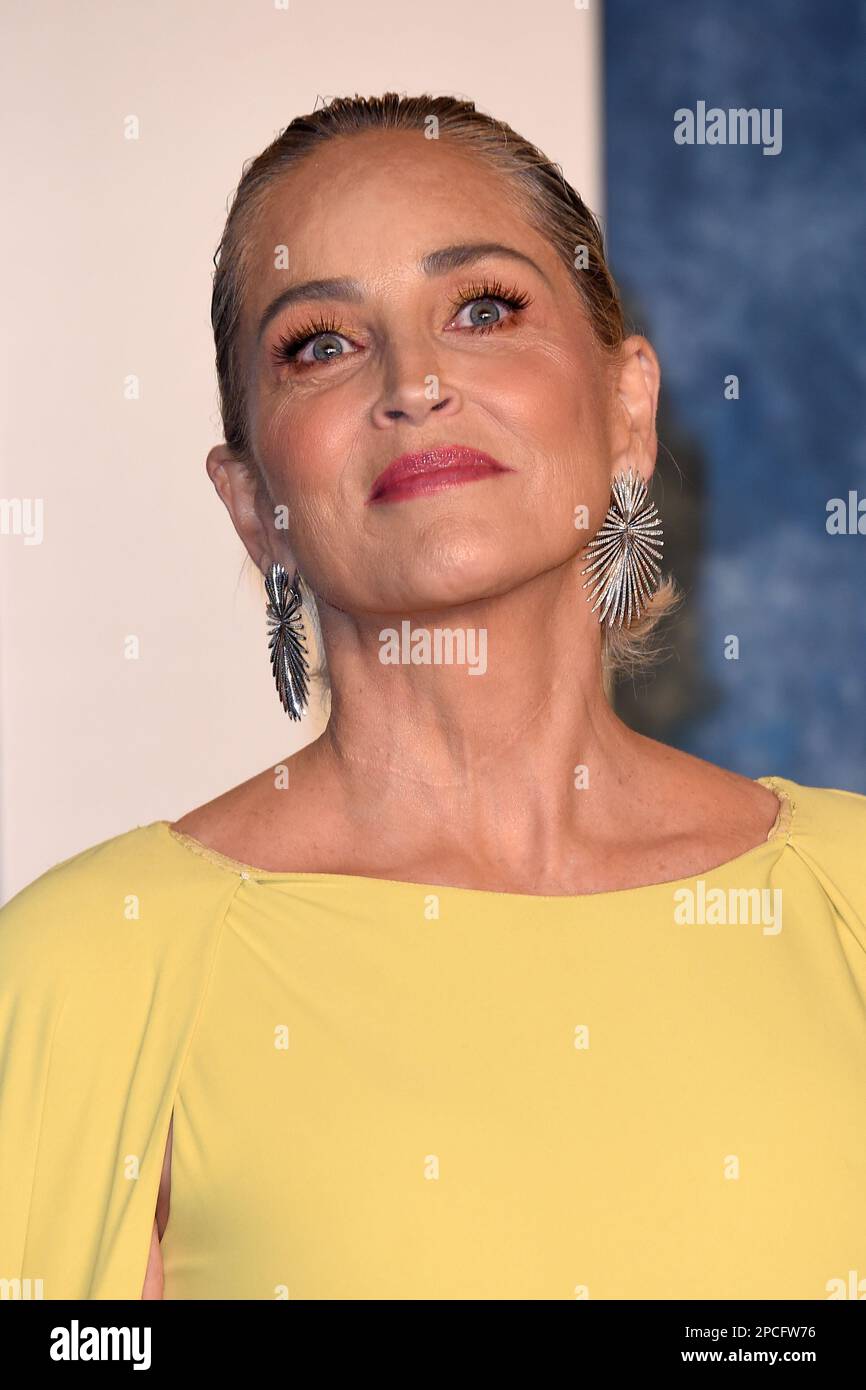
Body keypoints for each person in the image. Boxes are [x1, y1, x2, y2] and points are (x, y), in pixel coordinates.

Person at [1, 93, 864, 1302]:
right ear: (253, 503)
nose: (414, 381)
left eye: (482, 308)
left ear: (626, 410)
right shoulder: (94, 965)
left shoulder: (849, 897)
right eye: (321, 343)